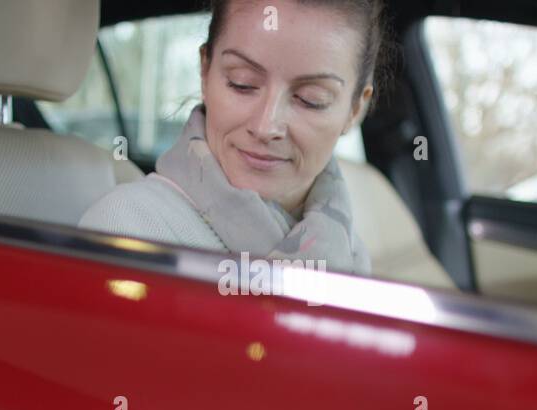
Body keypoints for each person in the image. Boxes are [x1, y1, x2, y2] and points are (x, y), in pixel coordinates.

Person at [79, 0, 393, 275]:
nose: (266, 126)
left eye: (311, 99)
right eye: (242, 84)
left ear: (354, 109)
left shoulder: (348, 250)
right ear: (205, 72)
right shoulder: (126, 231)